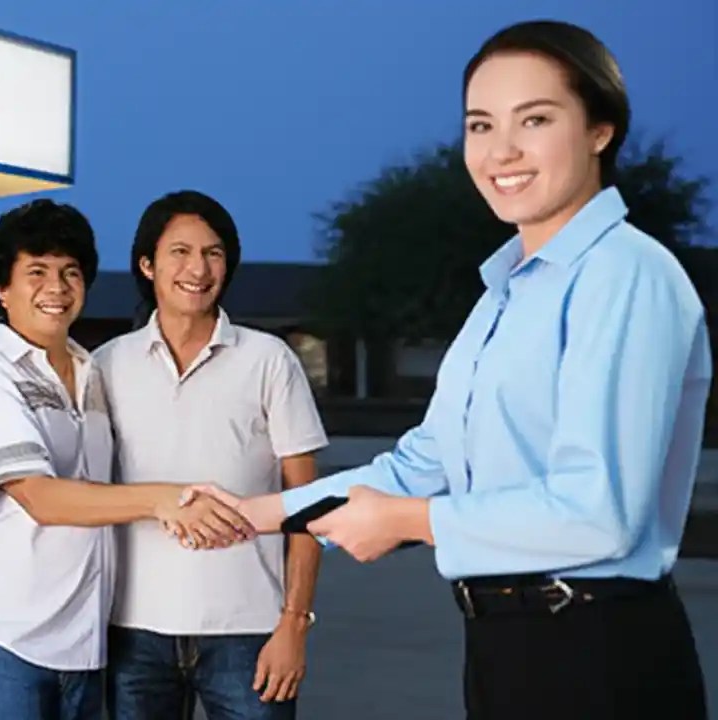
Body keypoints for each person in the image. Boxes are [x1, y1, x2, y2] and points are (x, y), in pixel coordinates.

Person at [226, 20, 710, 719]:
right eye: (480, 125)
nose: (500, 150)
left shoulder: (625, 275)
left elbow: (598, 513)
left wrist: (406, 521)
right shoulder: (505, 294)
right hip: (504, 645)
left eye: (535, 119)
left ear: (600, 130)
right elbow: (423, 463)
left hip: (595, 650)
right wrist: (255, 513)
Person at [0, 199, 255, 720]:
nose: (57, 288)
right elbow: (40, 497)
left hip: (85, 645)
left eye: (70, 273)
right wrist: (164, 500)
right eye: (36, 273)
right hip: (6, 639)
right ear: (2, 289)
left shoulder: (92, 370)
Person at [94, 190, 329, 720]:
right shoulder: (107, 365)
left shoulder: (269, 360)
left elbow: (308, 504)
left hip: (250, 631)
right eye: (180, 252)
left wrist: (294, 625)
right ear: (147, 265)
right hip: (133, 633)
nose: (198, 269)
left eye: (213, 253)